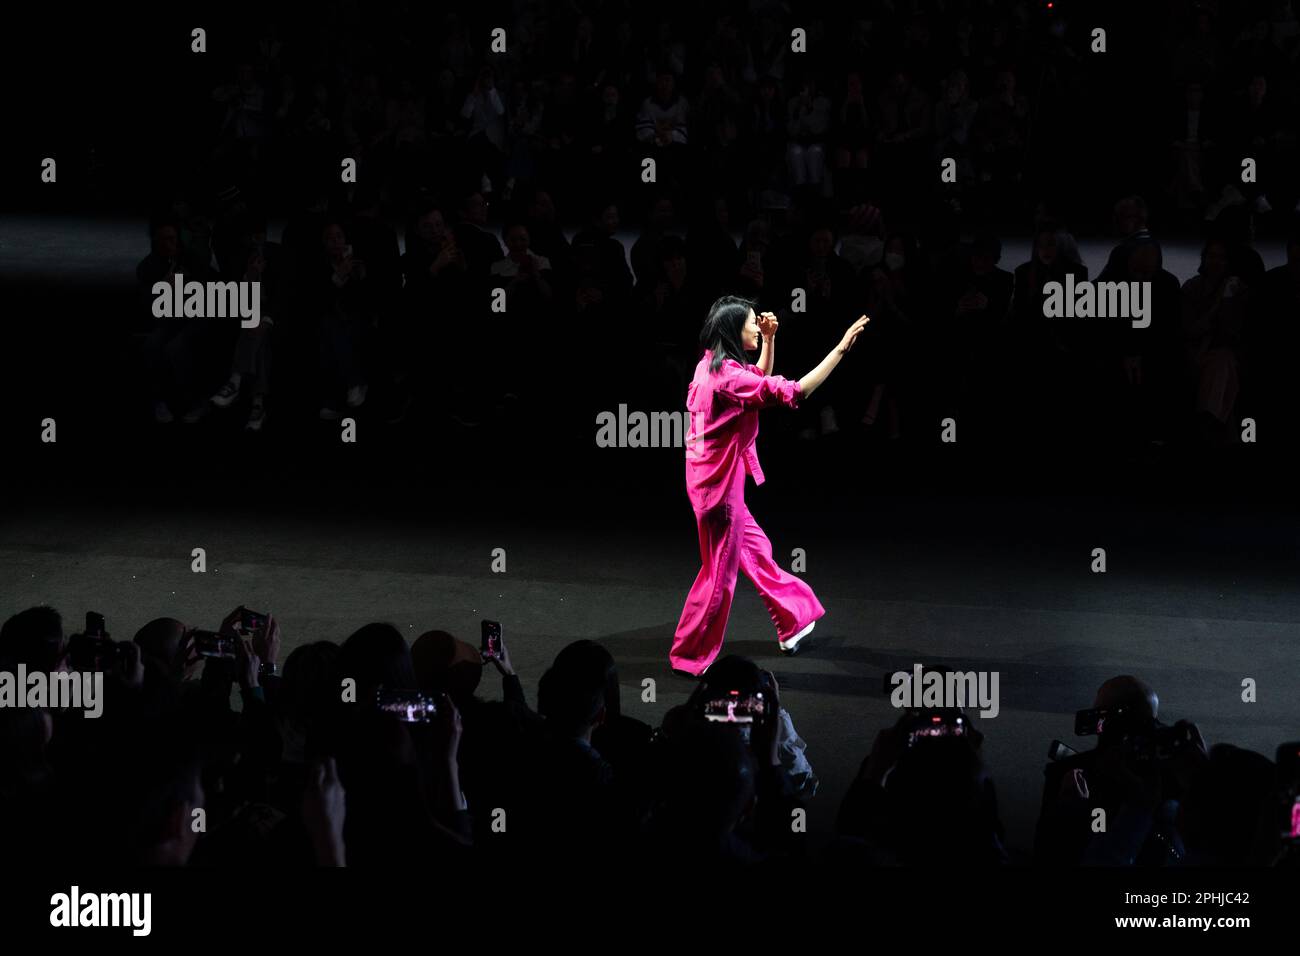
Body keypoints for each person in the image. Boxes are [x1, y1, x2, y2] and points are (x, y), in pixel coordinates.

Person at [670, 295, 868, 676]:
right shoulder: (727, 376)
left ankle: (794, 620)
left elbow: (755, 384)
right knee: (718, 578)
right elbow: (793, 392)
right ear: (733, 330)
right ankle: (689, 655)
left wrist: (770, 340)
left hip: (708, 482)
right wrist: (841, 349)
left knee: (757, 551)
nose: (756, 327)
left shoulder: (710, 366)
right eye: (751, 323)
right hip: (720, 491)